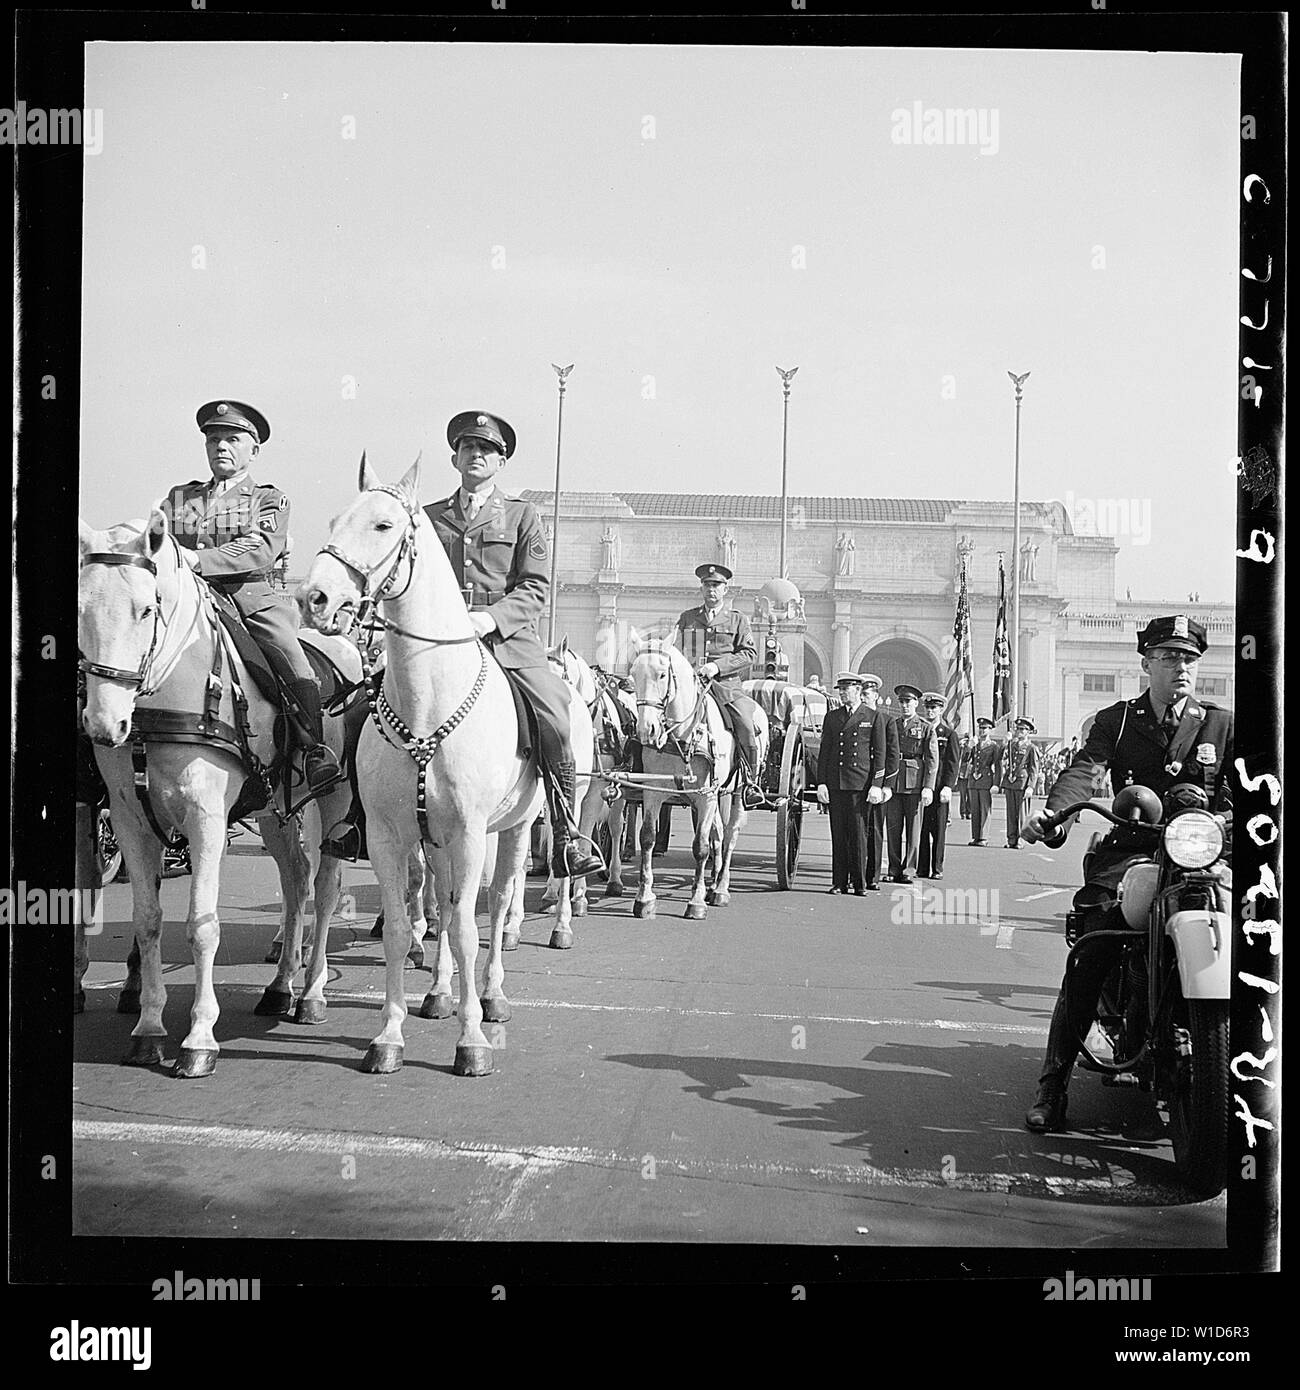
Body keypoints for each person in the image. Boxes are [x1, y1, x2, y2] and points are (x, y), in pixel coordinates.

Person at [1021, 615, 1233, 1131]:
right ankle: (1053, 1084)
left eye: (1188, 657)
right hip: (1133, 846)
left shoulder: (1222, 724)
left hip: (1204, 850)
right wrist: (1055, 814)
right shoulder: (1116, 720)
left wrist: (1236, 819)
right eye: (1169, 657)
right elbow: (1085, 771)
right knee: (1094, 942)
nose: (1180, 666)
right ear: (1146, 664)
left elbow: (1254, 786)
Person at [418, 410, 602, 880]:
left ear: (501, 462)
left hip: (507, 643)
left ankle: (565, 834)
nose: (475, 454)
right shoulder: (429, 517)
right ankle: (359, 820)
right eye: (467, 447)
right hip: (436, 643)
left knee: (557, 716)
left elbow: (535, 588)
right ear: (455, 456)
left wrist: (490, 618)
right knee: (371, 709)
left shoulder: (522, 515)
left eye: (487, 449)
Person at [161, 400, 342, 794]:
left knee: (290, 655)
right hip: (187, 597)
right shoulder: (181, 497)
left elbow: (260, 547)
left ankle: (314, 750)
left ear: (253, 450)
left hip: (250, 600)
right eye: (213, 439)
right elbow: (159, 542)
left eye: (232, 439)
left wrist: (196, 558)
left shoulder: (268, 499)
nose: (221, 446)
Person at [670, 562, 768, 810]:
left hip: (725, 686)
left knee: (746, 723)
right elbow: (675, 651)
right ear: (701, 588)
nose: (711, 589)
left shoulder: (737, 620)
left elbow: (749, 654)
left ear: (725, 589)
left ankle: (750, 782)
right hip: (690, 686)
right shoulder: (688, 618)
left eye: (716, 585)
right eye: (707, 585)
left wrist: (717, 667)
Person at [816, 673, 889, 895]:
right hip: (837, 783)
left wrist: (877, 784)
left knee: (858, 835)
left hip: (860, 784)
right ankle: (839, 881)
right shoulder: (832, 717)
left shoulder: (872, 717)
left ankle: (859, 883)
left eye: (846, 689)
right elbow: (825, 752)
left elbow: (880, 754)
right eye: (840, 689)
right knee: (838, 834)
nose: (842, 693)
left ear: (857, 690)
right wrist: (822, 784)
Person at [885, 685, 939, 883]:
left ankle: (909, 869)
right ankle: (893, 868)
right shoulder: (893, 724)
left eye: (908, 702)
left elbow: (932, 759)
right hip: (894, 780)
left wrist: (928, 787)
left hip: (915, 782)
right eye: (902, 702)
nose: (904, 705)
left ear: (916, 703)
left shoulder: (925, 727)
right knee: (893, 828)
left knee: (913, 830)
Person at [857, 674, 900, 888]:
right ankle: (855, 873)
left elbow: (892, 755)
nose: (863, 698)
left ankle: (871, 876)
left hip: (877, 781)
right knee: (856, 829)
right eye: (861, 694)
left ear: (876, 696)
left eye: (866, 694)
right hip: (857, 782)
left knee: (874, 829)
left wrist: (887, 785)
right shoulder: (854, 718)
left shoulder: (886, 720)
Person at [917, 693, 960, 879]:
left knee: (939, 830)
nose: (930, 711)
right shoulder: (921, 730)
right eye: (927, 708)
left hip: (940, 786)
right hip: (923, 786)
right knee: (923, 828)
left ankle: (937, 868)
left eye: (934, 708)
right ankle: (922, 867)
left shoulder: (949, 734)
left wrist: (948, 786)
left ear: (941, 710)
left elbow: (952, 763)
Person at [995, 716, 1041, 848]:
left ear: (1028, 731)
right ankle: (1011, 839)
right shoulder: (1011, 745)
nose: (1019, 731)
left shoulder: (1031, 748)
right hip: (1010, 782)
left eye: (1023, 729)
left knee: (1021, 814)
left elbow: (1034, 769)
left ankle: (1020, 840)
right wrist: (1005, 743)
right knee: (1010, 813)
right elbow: (999, 758)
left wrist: (1031, 786)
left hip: (1022, 783)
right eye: (1018, 728)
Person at [966, 716, 998, 844]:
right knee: (975, 809)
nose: (982, 730)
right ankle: (976, 836)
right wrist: (969, 747)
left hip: (985, 779)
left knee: (985, 809)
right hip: (974, 780)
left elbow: (998, 765)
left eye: (985, 728)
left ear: (990, 730)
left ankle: (983, 837)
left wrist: (996, 783)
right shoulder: (975, 744)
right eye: (980, 728)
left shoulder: (993, 746)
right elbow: (965, 759)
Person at [956, 732, 973, 818]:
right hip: (962, 774)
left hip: (970, 773)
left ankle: (969, 812)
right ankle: (962, 812)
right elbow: (959, 758)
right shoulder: (961, 748)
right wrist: (960, 747)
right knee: (962, 795)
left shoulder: (972, 748)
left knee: (970, 795)